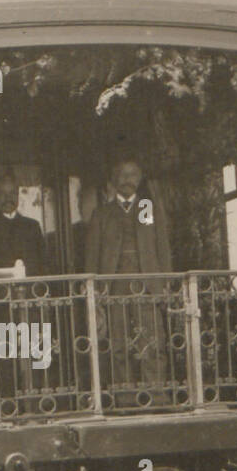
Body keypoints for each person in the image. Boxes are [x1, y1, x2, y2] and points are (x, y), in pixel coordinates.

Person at [82, 158, 173, 400]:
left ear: (140, 179)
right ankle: (124, 399)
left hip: (147, 286)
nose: (127, 180)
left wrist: (164, 284)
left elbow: (161, 248)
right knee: (119, 345)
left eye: (132, 175)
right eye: (122, 175)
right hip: (114, 288)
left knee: (152, 342)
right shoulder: (102, 214)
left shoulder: (146, 209)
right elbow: (92, 256)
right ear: (113, 180)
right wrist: (94, 290)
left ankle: (156, 397)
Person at [0, 174, 51, 410]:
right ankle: (9, 405)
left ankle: (36, 403)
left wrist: (40, 295)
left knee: (35, 351)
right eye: (3, 194)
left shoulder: (32, 226)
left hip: (30, 301)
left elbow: (43, 263)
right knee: (5, 353)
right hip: (1, 303)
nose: (8, 198)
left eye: (12, 194)